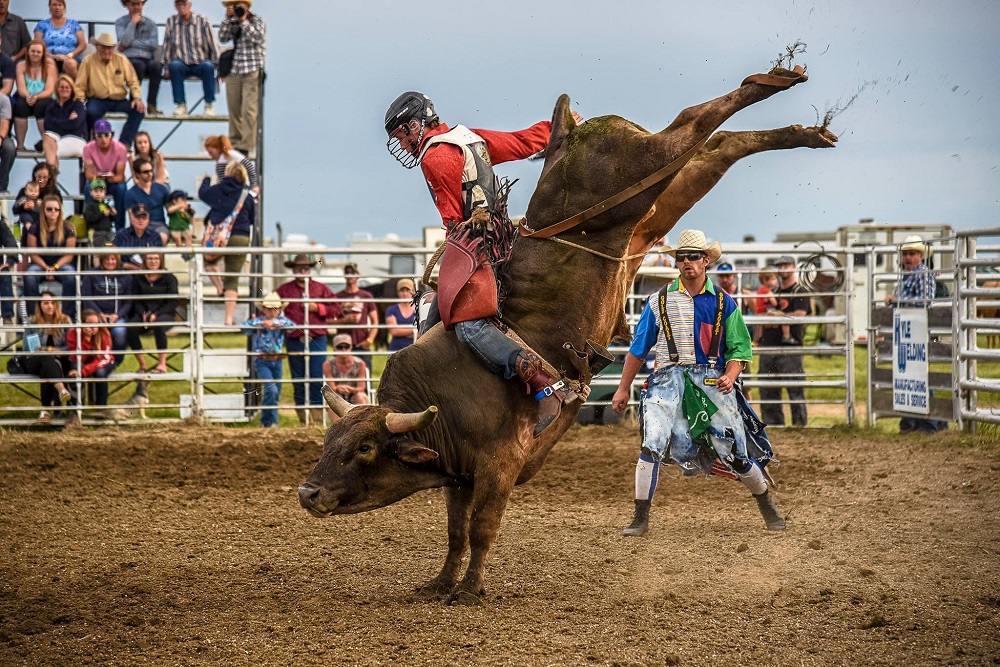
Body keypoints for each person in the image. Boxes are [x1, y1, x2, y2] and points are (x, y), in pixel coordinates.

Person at [384, 90, 570, 436]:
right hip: (502, 239)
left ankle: (543, 383)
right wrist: (556, 129)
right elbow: (521, 142)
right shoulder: (470, 139)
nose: (402, 143)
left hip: (477, 249)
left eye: (401, 135)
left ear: (413, 127)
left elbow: (453, 220)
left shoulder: (434, 158)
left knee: (466, 325)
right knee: (435, 315)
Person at [610, 229, 784, 536]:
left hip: (711, 379)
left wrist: (731, 375)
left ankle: (766, 505)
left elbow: (739, 349)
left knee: (734, 451)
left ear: (705, 261)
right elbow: (638, 349)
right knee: (652, 443)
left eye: (693, 256)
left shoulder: (723, 302)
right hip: (667, 378)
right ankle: (640, 517)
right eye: (682, 257)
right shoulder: (658, 301)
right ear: (676, 262)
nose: (687, 261)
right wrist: (623, 388)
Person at [275, 254, 348, 424]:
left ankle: (315, 419)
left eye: (306, 267)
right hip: (294, 339)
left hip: (317, 338)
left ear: (310, 269)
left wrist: (318, 308)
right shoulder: (284, 290)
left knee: (316, 378)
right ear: (293, 269)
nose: (302, 270)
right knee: (298, 379)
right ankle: (303, 419)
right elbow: (272, 308)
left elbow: (335, 309)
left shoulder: (321, 289)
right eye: (299, 268)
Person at [885, 235, 944, 434]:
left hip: (918, 332)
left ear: (921, 256)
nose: (908, 258)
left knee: (920, 376)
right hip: (909, 334)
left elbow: (925, 300)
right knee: (912, 378)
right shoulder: (906, 277)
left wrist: (897, 301)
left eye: (912, 254)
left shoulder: (922, 275)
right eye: (905, 254)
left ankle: (930, 423)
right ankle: (915, 422)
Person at [199, 160, 254, 325]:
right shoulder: (247, 195)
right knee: (233, 278)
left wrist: (206, 180)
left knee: (207, 262)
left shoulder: (218, 191)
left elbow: (203, 193)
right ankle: (228, 320)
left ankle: (218, 287)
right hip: (241, 236)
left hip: (218, 239)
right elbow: (252, 218)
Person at [757, 255, 809, 427]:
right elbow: (760, 311)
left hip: (790, 346)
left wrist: (776, 317)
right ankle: (773, 424)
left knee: (794, 386)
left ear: (794, 267)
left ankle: (799, 424)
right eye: (780, 265)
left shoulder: (799, 291)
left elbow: (801, 315)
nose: (783, 268)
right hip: (769, 343)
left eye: (786, 265)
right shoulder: (773, 291)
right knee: (768, 386)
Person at [74, 32, 145, 147]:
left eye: (110, 48)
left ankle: (124, 143)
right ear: (97, 47)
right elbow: (80, 85)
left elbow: (133, 81)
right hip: (97, 99)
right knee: (90, 111)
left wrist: (137, 97)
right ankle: (95, 142)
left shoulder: (122, 59)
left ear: (113, 48)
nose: (107, 51)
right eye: (103, 48)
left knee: (139, 110)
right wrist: (80, 102)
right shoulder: (88, 61)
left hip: (119, 100)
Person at [240, 291, 294, 428]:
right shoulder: (259, 321)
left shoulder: (281, 322)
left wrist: (274, 323)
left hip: (277, 360)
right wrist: (262, 323)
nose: (272, 311)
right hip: (262, 360)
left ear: (280, 310)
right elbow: (244, 327)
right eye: (269, 309)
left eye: (275, 309)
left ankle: (271, 422)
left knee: (275, 392)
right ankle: (267, 422)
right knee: (272, 390)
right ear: (264, 309)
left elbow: (292, 327)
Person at [218, 0, 265, 155]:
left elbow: (257, 38)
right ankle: (235, 142)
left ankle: (246, 145)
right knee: (234, 109)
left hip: (252, 69)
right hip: (235, 69)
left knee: (248, 110)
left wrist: (243, 20)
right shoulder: (232, 22)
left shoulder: (257, 21)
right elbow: (222, 37)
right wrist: (228, 18)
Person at [23, 291, 74, 425]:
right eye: (46, 303)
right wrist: (46, 351)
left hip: (58, 362)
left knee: (48, 367)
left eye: (52, 303)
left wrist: (54, 350)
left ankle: (45, 411)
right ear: (40, 305)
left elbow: (71, 346)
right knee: (46, 358)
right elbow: (26, 348)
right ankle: (61, 390)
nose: (50, 306)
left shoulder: (65, 320)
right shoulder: (32, 322)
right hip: (35, 361)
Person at [162, 0, 219, 117]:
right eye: (178, 4)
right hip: (181, 63)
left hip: (200, 62)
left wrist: (219, 67)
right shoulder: (171, 22)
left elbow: (214, 45)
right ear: (175, 6)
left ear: (190, 5)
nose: (182, 7)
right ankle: (181, 105)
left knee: (208, 66)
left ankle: (209, 104)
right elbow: (167, 46)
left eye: (184, 4)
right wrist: (166, 67)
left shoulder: (203, 21)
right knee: (174, 66)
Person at [24, 193, 77, 318]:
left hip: (61, 264)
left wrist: (55, 267)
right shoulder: (35, 227)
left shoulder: (68, 228)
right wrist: (46, 267)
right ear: (43, 211)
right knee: (30, 275)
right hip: (40, 264)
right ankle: (33, 316)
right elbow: (33, 253)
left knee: (70, 274)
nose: (53, 212)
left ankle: (67, 316)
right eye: (49, 209)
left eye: (56, 209)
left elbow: (69, 255)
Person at [127, 252, 177, 374]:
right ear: (145, 261)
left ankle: (162, 364)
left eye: (156, 258)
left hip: (164, 314)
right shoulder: (138, 278)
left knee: (158, 325)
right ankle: (143, 365)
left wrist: (156, 314)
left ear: (161, 261)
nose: (153, 261)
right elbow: (136, 300)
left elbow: (172, 302)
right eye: (149, 258)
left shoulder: (169, 278)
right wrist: (143, 313)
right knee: (130, 327)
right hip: (144, 314)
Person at [81, 251, 131, 366]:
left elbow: (128, 302)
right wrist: (99, 314)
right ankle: (93, 363)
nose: (110, 262)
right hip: (96, 316)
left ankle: (115, 362)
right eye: (107, 259)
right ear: (102, 260)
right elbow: (87, 298)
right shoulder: (91, 275)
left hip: (117, 316)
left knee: (120, 332)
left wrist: (117, 315)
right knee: (92, 332)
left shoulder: (126, 276)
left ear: (118, 260)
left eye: (113, 259)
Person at [66, 308, 115, 421]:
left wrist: (84, 371)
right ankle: (75, 411)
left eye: (96, 324)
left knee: (100, 372)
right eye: (89, 324)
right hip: (83, 362)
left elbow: (104, 358)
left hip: (103, 362)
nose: (93, 327)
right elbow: (76, 358)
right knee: (74, 368)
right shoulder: (73, 332)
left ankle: (101, 409)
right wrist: (86, 339)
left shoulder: (103, 332)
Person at [115, 0, 161, 115]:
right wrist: (133, 23)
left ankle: (152, 104)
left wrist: (130, 44)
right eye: (133, 4)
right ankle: (134, 102)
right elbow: (125, 41)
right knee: (138, 66)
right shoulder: (120, 22)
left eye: (139, 4)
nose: (137, 7)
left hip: (147, 58)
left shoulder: (151, 23)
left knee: (156, 66)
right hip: (129, 59)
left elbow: (153, 44)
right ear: (127, 5)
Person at [83, 118, 129, 229]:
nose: (103, 139)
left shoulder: (121, 148)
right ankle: (90, 225)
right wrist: (98, 177)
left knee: (121, 188)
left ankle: (120, 227)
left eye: (106, 135)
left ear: (111, 135)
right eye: (99, 135)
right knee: (89, 186)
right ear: (94, 136)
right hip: (96, 181)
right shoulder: (88, 148)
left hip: (112, 181)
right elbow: (89, 176)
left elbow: (120, 177)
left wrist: (112, 177)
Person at [13, 39, 56, 151]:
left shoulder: (50, 66)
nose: (35, 54)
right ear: (28, 52)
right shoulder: (21, 66)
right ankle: (20, 145)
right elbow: (21, 87)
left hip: (44, 97)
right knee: (19, 106)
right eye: (33, 51)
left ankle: (47, 144)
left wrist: (36, 97)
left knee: (41, 107)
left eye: (38, 52)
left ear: (43, 54)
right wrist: (27, 96)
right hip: (26, 95)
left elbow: (49, 90)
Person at [335, 263, 378, 369]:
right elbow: (328, 320)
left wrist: (369, 340)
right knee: (342, 378)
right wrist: (345, 320)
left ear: (358, 275)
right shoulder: (337, 297)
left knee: (365, 378)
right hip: (343, 344)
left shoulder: (366, 296)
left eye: (352, 272)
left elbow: (375, 321)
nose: (350, 275)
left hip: (361, 343)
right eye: (347, 272)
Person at [42, 73, 86, 170]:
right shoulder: (51, 106)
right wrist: (67, 121)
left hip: (76, 139)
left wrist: (56, 122)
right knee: (47, 135)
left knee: (52, 152)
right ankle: (51, 175)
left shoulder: (77, 105)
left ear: (71, 89)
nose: (64, 89)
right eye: (61, 87)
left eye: (67, 87)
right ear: (57, 89)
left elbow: (75, 124)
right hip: (58, 137)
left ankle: (51, 177)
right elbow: (47, 126)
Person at [33, 0, 84, 79]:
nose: (57, 7)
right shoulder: (42, 24)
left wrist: (69, 56)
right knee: (48, 63)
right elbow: (37, 44)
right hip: (49, 57)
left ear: (64, 7)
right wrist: (52, 56)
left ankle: (77, 90)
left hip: (71, 58)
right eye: (54, 5)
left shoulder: (73, 23)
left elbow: (82, 44)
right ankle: (50, 90)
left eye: (60, 5)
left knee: (70, 64)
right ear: (49, 7)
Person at [124, 156, 170, 243]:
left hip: (159, 225)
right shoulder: (130, 193)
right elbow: (131, 218)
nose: (150, 174)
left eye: (151, 171)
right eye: (146, 172)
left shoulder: (161, 189)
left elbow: (170, 210)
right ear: (137, 174)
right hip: (140, 226)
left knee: (161, 237)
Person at [323, 333, 370, 411]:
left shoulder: (360, 363)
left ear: (351, 347)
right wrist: (338, 388)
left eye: (346, 346)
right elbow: (331, 387)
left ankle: (362, 422)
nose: (343, 350)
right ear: (334, 349)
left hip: (355, 394)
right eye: (340, 347)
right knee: (333, 398)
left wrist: (350, 389)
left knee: (360, 396)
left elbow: (361, 387)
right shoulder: (328, 364)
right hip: (337, 394)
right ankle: (338, 423)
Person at [114, 203, 164, 270]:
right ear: (132, 219)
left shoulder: (155, 236)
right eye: (138, 217)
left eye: (144, 218)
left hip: (149, 273)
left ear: (148, 220)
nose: (141, 220)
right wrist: (130, 266)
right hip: (126, 273)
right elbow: (114, 259)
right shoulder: (121, 235)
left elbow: (160, 260)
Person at [82, 178, 116, 253]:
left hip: (108, 231)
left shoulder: (106, 205)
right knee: (97, 253)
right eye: (96, 191)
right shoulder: (89, 205)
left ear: (105, 192)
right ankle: (96, 265)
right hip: (96, 232)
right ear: (90, 192)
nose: (98, 194)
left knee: (111, 249)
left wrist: (113, 214)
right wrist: (102, 214)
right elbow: (89, 218)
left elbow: (111, 220)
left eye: (101, 191)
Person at [385, 278, 417, 351]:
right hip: (395, 349)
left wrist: (400, 330)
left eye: (408, 290)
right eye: (402, 290)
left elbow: (422, 333)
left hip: (414, 350)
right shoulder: (391, 310)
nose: (405, 293)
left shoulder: (419, 309)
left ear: (413, 292)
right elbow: (394, 331)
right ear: (397, 292)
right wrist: (414, 330)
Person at [166, 189, 194, 253]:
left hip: (184, 229)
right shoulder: (174, 209)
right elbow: (169, 210)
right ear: (174, 201)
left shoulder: (186, 212)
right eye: (182, 200)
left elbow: (191, 222)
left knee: (189, 235)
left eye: (185, 200)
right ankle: (180, 249)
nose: (185, 202)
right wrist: (179, 206)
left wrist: (192, 214)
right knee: (176, 236)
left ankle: (188, 251)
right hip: (174, 229)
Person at [0, 217, 16, 325]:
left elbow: (12, 244)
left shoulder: (1, 225)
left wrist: (8, 262)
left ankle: (7, 316)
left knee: (5, 274)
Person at [0, 85, 14, 196]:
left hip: (1, 135)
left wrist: (0, 137)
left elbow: (5, 124)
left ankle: (2, 187)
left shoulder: (3, 99)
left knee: (9, 148)